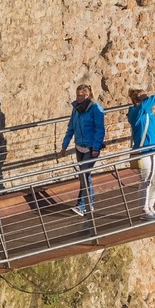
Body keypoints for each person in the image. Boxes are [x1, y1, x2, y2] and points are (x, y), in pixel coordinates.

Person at [60, 84, 106, 217]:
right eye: (76, 95)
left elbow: (100, 130)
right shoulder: (76, 109)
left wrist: (96, 148)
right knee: (85, 176)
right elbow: (71, 128)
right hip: (79, 147)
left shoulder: (96, 109)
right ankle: (89, 203)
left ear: (87, 95)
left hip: (91, 148)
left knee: (84, 175)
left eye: (80, 95)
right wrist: (64, 145)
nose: (77, 98)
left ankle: (82, 206)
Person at [125, 87, 155, 221]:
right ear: (136, 101)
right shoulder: (135, 113)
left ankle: (150, 206)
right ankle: (144, 209)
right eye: (143, 100)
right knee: (146, 181)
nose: (147, 102)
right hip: (144, 152)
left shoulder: (149, 113)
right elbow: (146, 105)